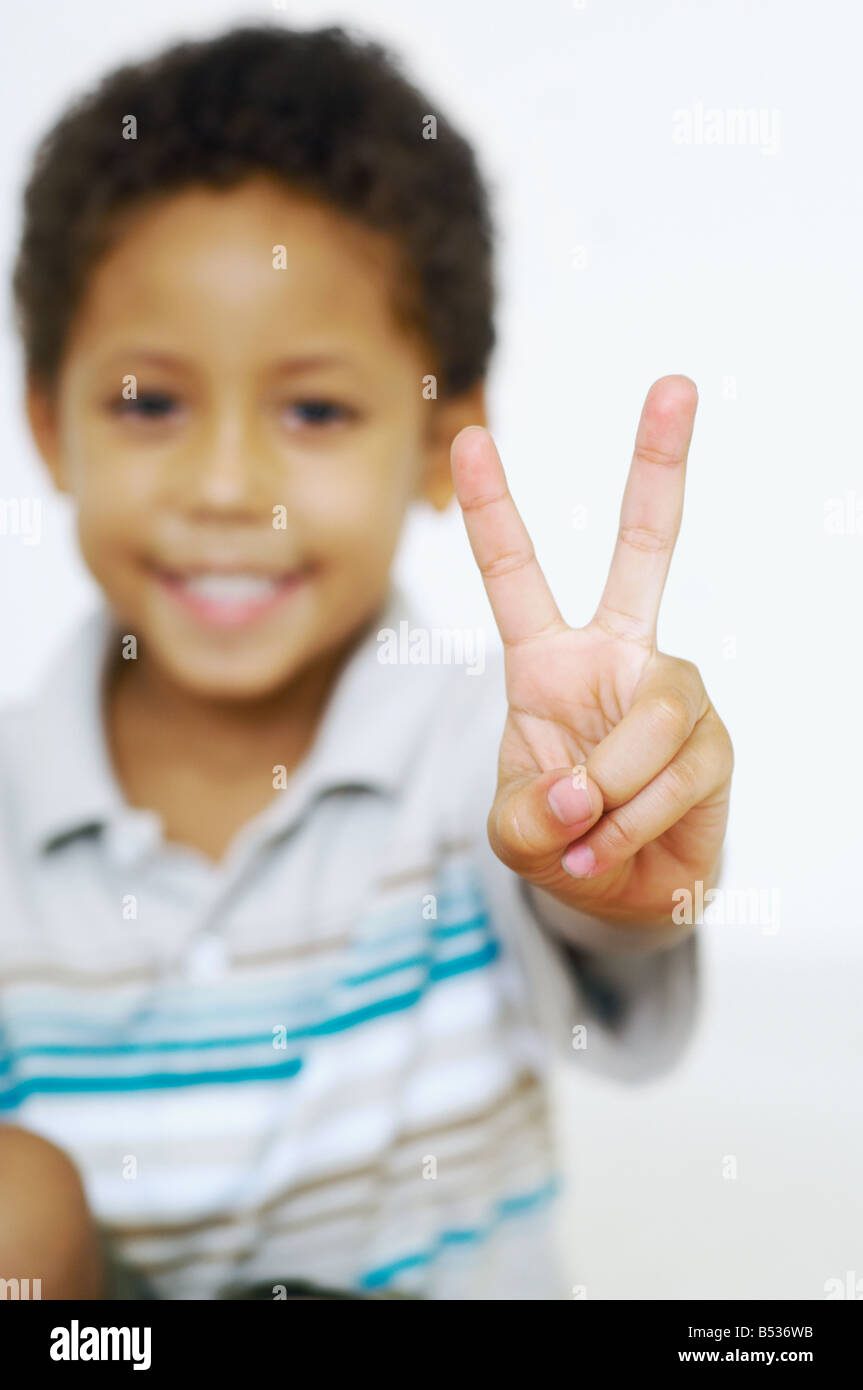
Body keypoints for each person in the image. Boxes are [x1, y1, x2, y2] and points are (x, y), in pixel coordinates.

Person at [0, 23, 733, 1300]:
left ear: (445, 437)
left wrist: (606, 859)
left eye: (315, 411)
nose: (228, 486)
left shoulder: (485, 755)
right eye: (150, 403)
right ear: (50, 425)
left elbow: (607, 958)